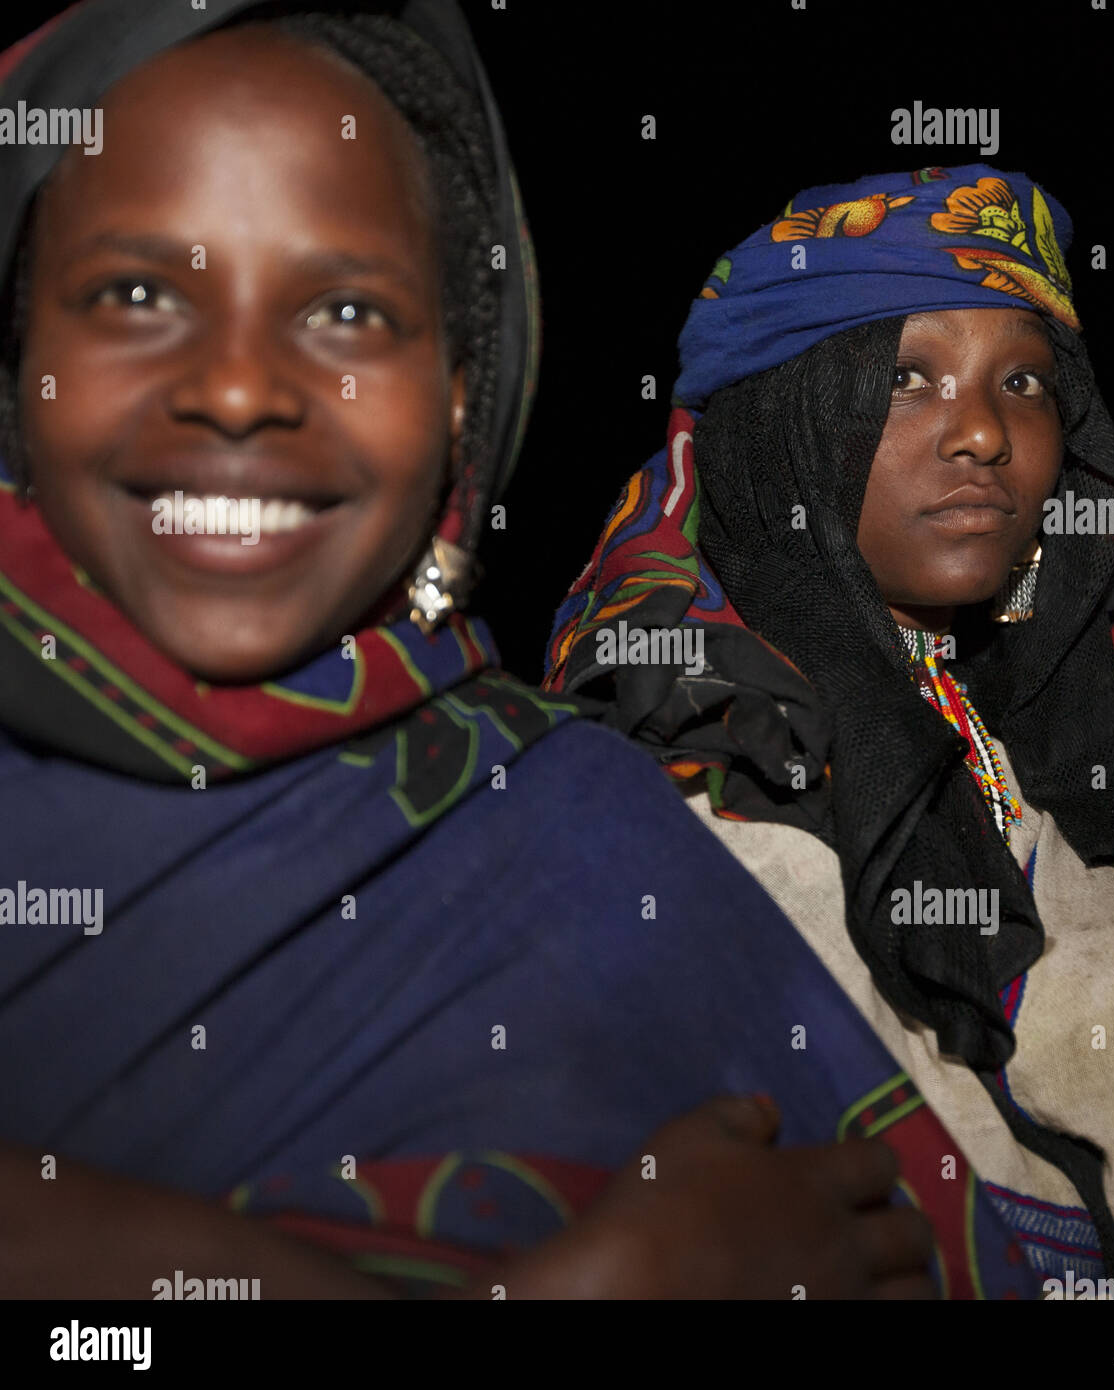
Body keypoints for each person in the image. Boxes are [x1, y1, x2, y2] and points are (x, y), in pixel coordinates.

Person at [0, 2, 1038, 1300]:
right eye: (137, 291)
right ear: (18, 357)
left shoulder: (579, 830)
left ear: (453, 394)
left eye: (344, 309)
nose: (238, 385)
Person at [546, 164, 1114, 1298]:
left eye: (1027, 384)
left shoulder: (1025, 770)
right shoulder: (672, 802)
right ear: (782, 428)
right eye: (906, 378)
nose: (986, 435)